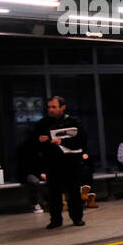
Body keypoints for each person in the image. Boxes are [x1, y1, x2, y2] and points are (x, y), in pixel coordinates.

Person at [33, 95, 89, 229]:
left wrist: (62, 141)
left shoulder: (73, 122)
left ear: (62, 108)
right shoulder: (42, 123)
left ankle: (77, 218)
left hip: (71, 163)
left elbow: (81, 141)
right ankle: (56, 220)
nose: (51, 110)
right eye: (49, 107)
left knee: (73, 192)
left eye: (54, 107)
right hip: (53, 163)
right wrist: (41, 140)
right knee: (54, 194)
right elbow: (34, 144)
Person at [15, 134, 48, 214]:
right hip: (27, 173)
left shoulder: (46, 146)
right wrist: (40, 174)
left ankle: (51, 202)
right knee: (34, 181)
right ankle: (35, 204)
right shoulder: (26, 148)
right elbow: (27, 166)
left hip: (41, 172)